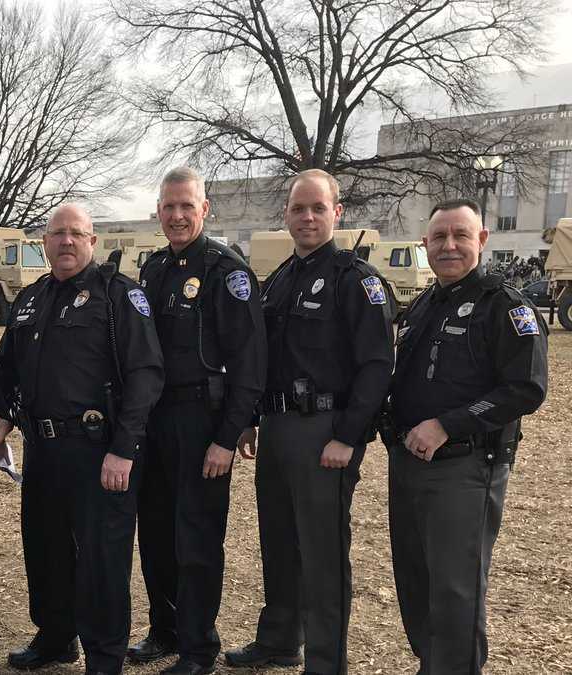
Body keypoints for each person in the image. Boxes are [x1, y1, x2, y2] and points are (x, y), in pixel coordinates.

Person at [225, 170, 394, 674]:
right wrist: (252, 418)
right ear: (286, 215)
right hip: (278, 430)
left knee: (322, 555)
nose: (307, 217)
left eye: (318, 208)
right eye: (299, 208)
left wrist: (349, 436)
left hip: (325, 431)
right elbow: (265, 358)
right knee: (279, 542)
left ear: (336, 213)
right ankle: (279, 641)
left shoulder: (356, 279)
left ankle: (326, 662)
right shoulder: (280, 279)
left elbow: (377, 365)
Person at [0, 204, 164, 675]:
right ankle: (56, 637)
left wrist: (124, 449)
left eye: (75, 234)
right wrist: (1, 421)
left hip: (99, 450)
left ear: (92, 242)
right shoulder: (31, 298)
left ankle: (104, 657)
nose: (65, 241)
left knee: (103, 559)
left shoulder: (119, 296)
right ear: (44, 241)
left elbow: (145, 377)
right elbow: (8, 369)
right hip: (43, 450)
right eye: (56, 233)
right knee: (45, 549)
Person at [385, 199, 547, 673]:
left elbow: (526, 388)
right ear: (426, 244)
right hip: (410, 464)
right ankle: (433, 664)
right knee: (415, 580)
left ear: (482, 240)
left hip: (465, 467)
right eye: (439, 237)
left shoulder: (505, 306)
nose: (449, 246)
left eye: (460, 235)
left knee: (456, 589)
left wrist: (447, 425)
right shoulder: (423, 305)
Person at [130, 169, 266, 674]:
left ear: (205, 209)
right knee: (158, 534)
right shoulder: (154, 269)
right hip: (155, 420)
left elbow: (250, 364)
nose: (177, 216)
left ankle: (197, 647)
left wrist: (227, 436)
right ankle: (164, 631)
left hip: (201, 420)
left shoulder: (225, 270)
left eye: (187, 206)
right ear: (158, 211)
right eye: (168, 207)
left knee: (198, 538)